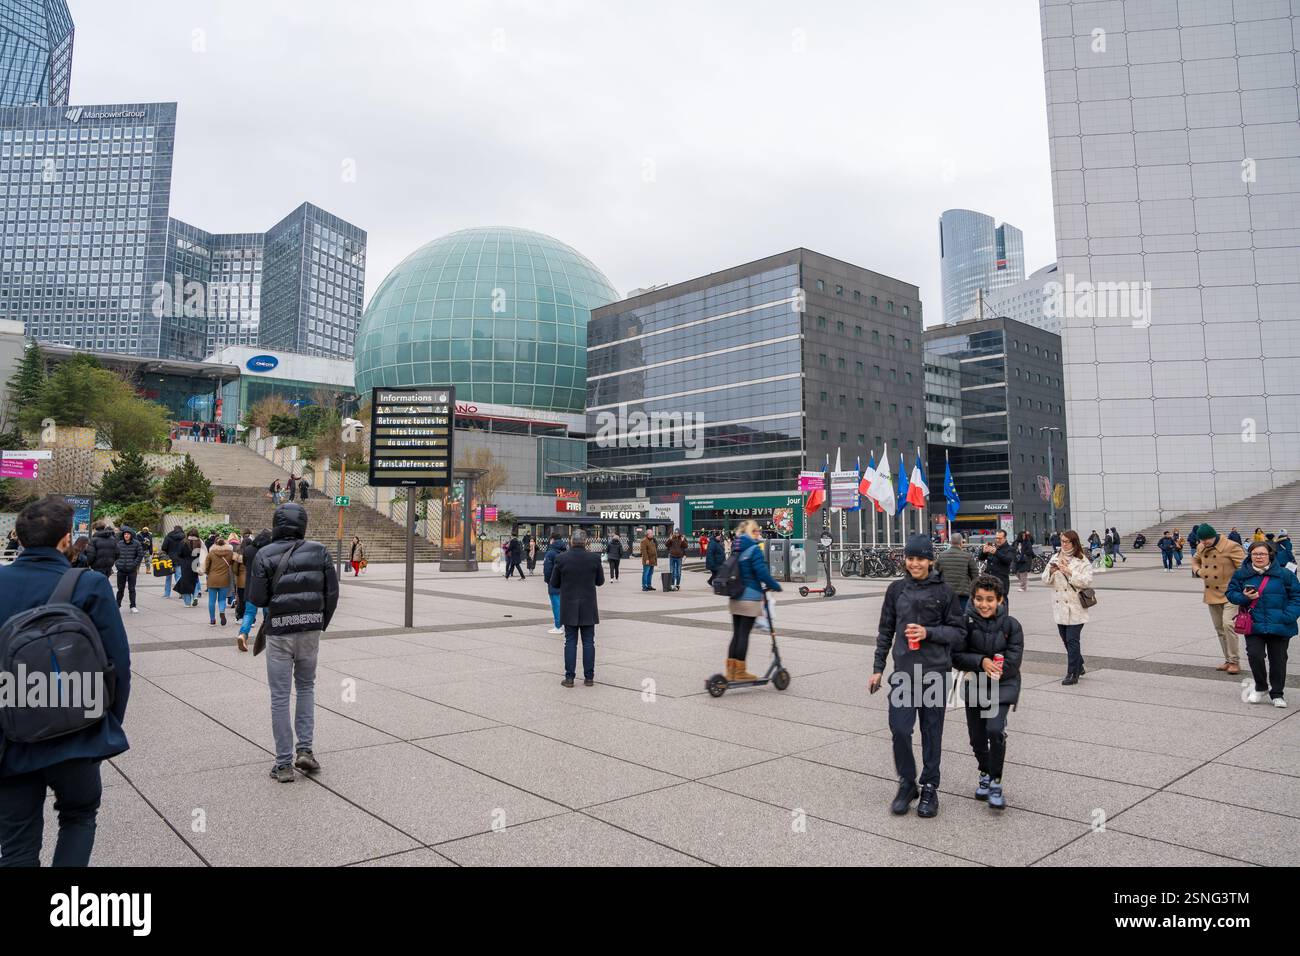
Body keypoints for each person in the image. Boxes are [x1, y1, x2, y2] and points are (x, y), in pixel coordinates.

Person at [0, 497, 131, 866]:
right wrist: (104, 725)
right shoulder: (88, 584)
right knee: (78, 816)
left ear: (20, 539)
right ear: (64, 541)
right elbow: (117, 663)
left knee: (17, 846)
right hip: (75, 731)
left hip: (10, 735)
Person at [869, 534, 964, 820]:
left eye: (920, 558)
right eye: (910, 558)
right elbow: (885, 630)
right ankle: (907, 783)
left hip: (935, 672)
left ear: (930, 560)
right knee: (899, 729)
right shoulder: (896, 590)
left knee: (931, 732)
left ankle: (930, 787)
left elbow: (959, 633)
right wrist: (877, 668)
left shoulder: (945, 593)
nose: (915, 564)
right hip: (904, 674)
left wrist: (928, 633)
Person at [248, 502, 339, 782]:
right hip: (310, 630)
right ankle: (306, 750)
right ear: (303, 524)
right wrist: (319, 622)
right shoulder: (320, 550)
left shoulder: (264, 554)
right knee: (306, 688)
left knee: (279, 696)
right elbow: (333, 593)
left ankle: (284, 763)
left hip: (279, 633)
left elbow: (257, 598)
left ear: (277, 523)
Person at [952, 574, 1024, 811]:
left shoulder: (1011, 626)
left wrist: (998, 668)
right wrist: (981, 661)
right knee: (977, 738)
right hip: (975, 684)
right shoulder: (965, 624)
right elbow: (957, 656)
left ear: (1000, 600)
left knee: (994, 730)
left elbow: (1014, 661)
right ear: (972, 599)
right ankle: (984, 770)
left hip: (1003, 686)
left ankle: (995, 781)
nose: (984, 604)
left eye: (990, 599)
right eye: (979, 599)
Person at [1227, 541, 1299, 708]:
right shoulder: (1241, 574)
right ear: (1250, 555)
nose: (1259, 557)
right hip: (1254, 624)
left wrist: (1288, 616)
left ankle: (1277, 693)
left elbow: (1297, 596)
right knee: (1255, 655)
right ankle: (1261, 687)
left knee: (1278, 660)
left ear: (1270, 556)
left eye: (1262, 554)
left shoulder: (1285, 574)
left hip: (1280, 624)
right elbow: (1230, 593)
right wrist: (1244, 598)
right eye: (1255, 554)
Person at [724, 519, 783, 683]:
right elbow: (762, 573)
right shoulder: (754, 549)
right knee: (743, 635)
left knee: (736, 634)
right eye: (757, 531)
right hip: (750, 598)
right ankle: (740, 671)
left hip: (735, 596)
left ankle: (731, 671)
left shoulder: (737, 548)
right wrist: (775, 585)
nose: (759, 533)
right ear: (752, 532)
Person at [550, 529, 605, 687]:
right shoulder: (594, 558)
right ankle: (589, 677)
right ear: (586, 542)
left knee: (570, 642)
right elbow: (600, 581)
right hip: (588, 605)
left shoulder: (561, 559)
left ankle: (569, 678)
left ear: (571, 541)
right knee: (589, 642)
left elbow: (554, 583)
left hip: (569, 606)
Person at [1191, 523, 1246, 676]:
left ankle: (1234, 661)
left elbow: (1243, 569)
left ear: (1214, 535)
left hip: (1230, 593)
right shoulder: (1201, 547)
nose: (1204, 542)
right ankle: (1228, 659)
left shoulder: (1231, 546)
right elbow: (1195, 560)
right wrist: (1199, 571)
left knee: (1228, 625)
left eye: (1207, 539)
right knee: (1219, 629)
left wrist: (1239, 587)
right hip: (1212, 593)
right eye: (1202, 540)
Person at [1042, 529, 1094, 685]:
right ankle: (1080, 664)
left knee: (1072, 640)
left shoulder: (1082, 560)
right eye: (1062, 541)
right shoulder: (1055, 557)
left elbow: (1087, 581)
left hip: (1075, 607)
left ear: (1074, 542)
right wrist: (1051, 570)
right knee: (1065, 640)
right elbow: (1045, 580)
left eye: (1066, 541)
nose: (1063, 544)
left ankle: (1072, 673)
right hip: (1059, 607)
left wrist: (1069, 571)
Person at [236, 529, 272, 651]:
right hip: (266, 587)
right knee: (268, 614)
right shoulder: (270, 551)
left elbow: (245, 564)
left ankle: (243, 634)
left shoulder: (249, 550)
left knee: (249, 613)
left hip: (251, 585)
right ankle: (268, 638)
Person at [935, 533, 979, 611]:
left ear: (950, 542)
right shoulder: (968, 556)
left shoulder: (941, 556)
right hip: (963, 594)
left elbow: (935, 575)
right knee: (962, 618)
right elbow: (975, 577)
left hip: (946, 594)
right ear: (961, 542)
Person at [202, 534, 237, 627]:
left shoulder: (211, 553)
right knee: (222, 599)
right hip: (224, 579)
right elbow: (234, 562)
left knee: (211, 601)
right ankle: (222, 612)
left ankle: (212, 620)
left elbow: (206, 567)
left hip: (212, 579)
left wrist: (208, 572)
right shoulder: (230, 553)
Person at [113, 527, 145, 614]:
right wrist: (117, 563)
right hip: (121, 569)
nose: (126, 536)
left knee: (132, 589)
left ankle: (133, 606)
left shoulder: (136, 543)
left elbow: (140, 555)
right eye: (125, 534)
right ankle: (117, 605)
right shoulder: (119, 543)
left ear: (131, 535)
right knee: (120, 589)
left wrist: (134, 564)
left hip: (132, 570)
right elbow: (115, 555)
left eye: (128, 534)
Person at [981, 530, 1015, 608]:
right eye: (996, 538)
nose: (997, 540)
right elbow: (981, 558)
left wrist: (996, 552)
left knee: (1002, 602)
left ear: (1005, 538)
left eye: (1000, 538)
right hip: (989, 580)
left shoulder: (1010, 549)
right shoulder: (993, 546)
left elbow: (1008, 560)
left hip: (1001, 580)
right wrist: (984, 551)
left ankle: (1004, 619)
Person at [542, 532, 567, 635]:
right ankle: (565, 624)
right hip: (566, 583)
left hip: (554, 583)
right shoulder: (565, 551)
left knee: (556, 605)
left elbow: (547, 571)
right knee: (564, 605)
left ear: (552, 540)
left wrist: (548, 581)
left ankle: (558, 626)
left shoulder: (550, 553)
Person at [161, 524, 186, 597]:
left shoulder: (169, 536)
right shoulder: (184, 537)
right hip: (179, 559)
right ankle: (181, 592)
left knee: (168, 577)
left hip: (169, 559)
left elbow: (164, 547)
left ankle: (167, 594)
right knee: (178, 576)